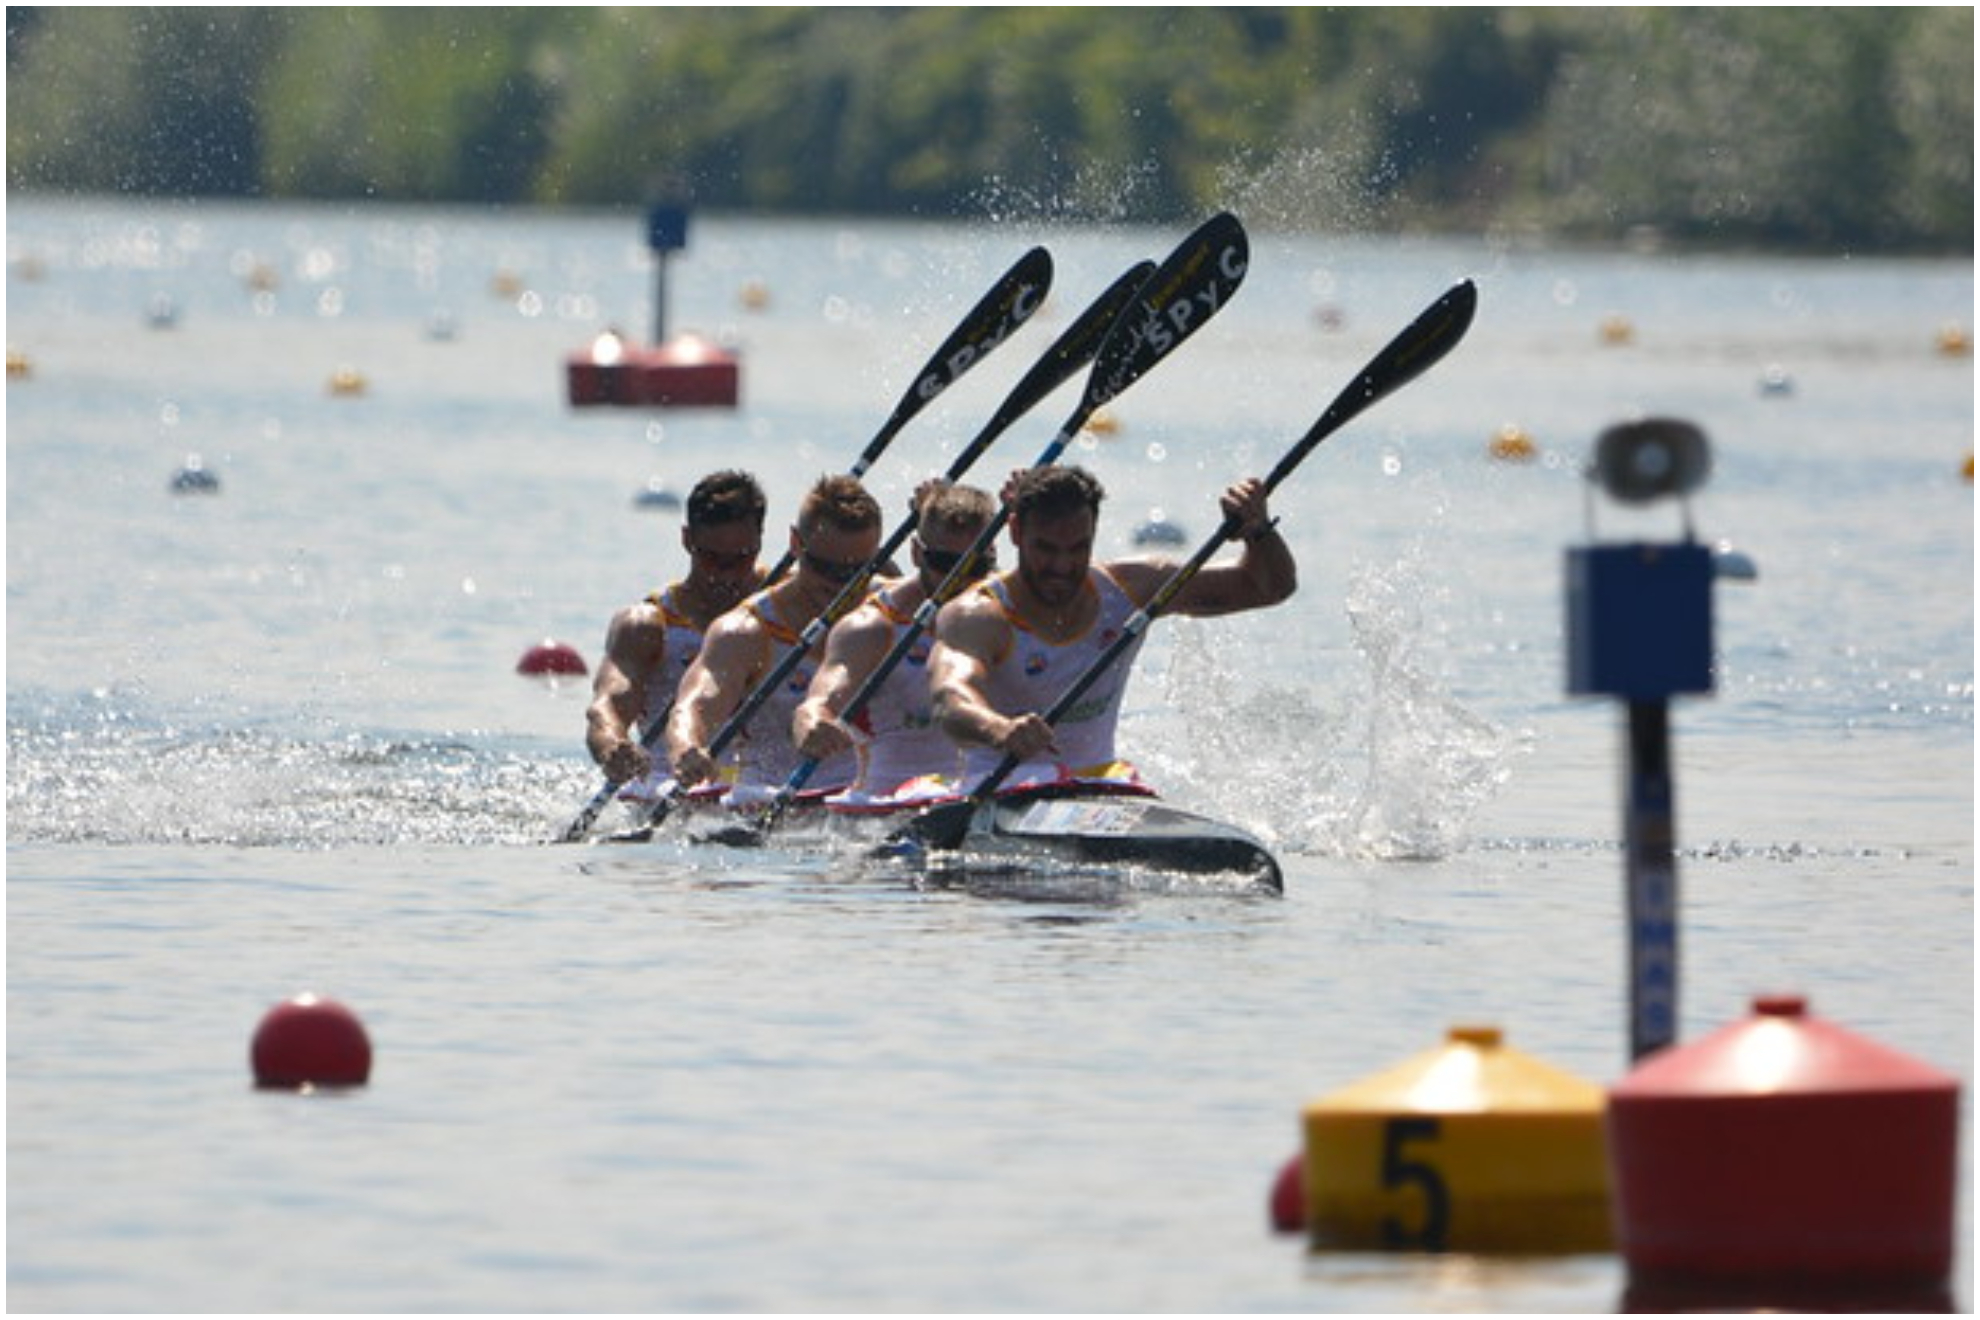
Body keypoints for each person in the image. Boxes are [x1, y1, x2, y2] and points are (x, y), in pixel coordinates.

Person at [928, 464, 1295, 794]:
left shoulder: (1132, 588)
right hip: (1000, 788)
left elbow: (1268, 587)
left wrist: (1257, 530)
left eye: (1077, 548)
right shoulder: (977, 615)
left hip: (1100, 784)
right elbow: (950, 699)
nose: (1062, 565)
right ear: (1015, 531)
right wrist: (999, 730)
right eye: (1046, 548)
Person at [667, 473, 883, 801]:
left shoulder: (895, 610)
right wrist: (688, 747)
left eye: (855, 573)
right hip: (772, 800)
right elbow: (694, 706)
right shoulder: (744, 631)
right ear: (796, 544)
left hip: (869, 799)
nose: (838, 586)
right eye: (824, 568)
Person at [791, 481, 998, 807]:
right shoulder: (871, 627)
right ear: (916, 553)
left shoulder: (1006, 611)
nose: (958, 579)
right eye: (945, 563)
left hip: (983, 793)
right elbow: (822, 698)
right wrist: (813, 719)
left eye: (975, 566)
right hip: (887, 805)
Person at [585, 469, 767, 789]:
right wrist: (611, 744)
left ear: (759, 544)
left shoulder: (786, 604)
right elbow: (607, 705)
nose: (726, 576)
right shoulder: (646, 625)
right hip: (671, 784)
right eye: (712, 559)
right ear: (687, 540)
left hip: (762, 785)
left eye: (741, 559)